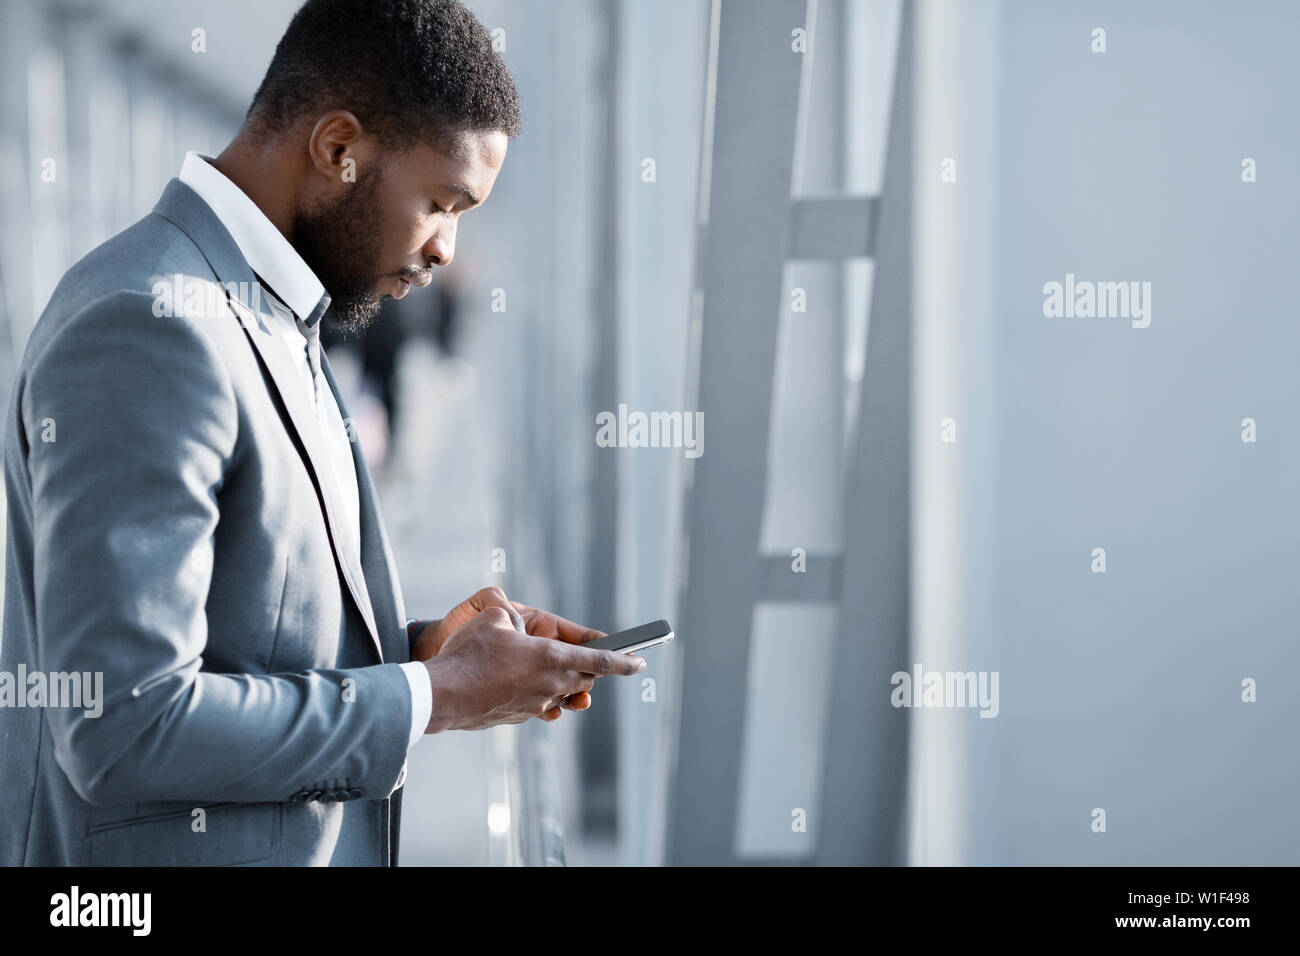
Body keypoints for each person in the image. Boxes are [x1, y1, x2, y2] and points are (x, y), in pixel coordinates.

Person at [0, 0, 643, 867]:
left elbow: (243, 621)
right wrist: (432, 697)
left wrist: (419, 651)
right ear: (339, 149)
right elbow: (123, 723)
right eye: (442, 202)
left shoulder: (268, 310)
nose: (449, 249)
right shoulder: (150, 323)